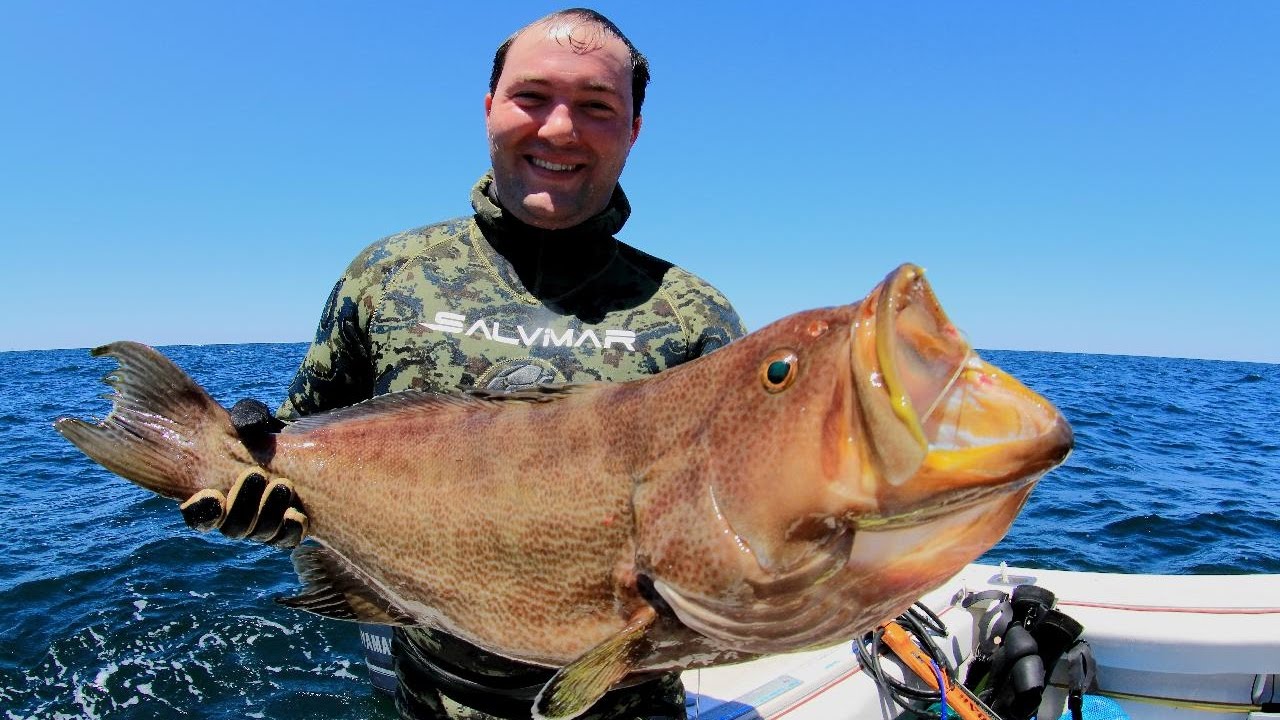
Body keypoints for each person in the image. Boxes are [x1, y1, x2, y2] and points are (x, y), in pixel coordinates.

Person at [182, 8, 745, 720]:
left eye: (597, 107)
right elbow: (299, 440)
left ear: (634, 128)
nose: (560, 129)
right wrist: (254, 481)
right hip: (422, 697)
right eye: (531, 98)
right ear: (489, 109)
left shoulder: (695, 318)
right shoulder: (385, 276)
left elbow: (731, 524)